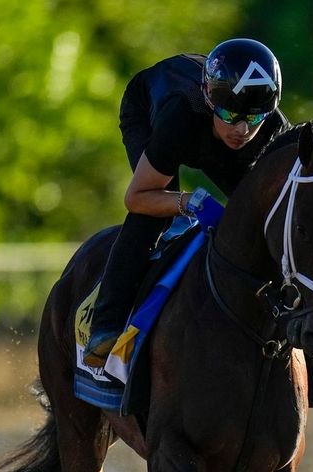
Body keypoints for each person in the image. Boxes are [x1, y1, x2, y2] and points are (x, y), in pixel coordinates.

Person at [81, 38, 289, 368]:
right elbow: (137, 199)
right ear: (210, 99)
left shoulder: (271, 130)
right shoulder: (181, 116)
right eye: (230, 113)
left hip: (204, 129)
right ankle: (105, 326)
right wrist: (189, 202)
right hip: (152, 113)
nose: (241, 130)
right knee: (155, 215)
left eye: (254, 117)